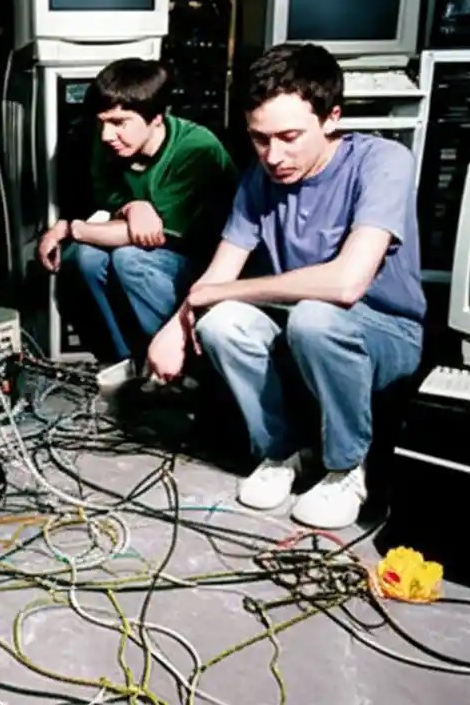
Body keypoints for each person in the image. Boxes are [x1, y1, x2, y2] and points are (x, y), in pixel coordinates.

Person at [147, 43, 426, 529]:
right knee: (222, 325)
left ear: (331, 118)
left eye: (290, 136)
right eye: (259, 139)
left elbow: (345, 284)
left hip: (385, 332)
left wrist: (216, 294)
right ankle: (281, 453)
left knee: (313, 317)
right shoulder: (259, 178)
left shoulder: (384, 161)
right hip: (301, 325)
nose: (274, 156)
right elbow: (220, 273)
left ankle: (346, 467)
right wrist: (178, 324)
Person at [36, 58, 237, 377]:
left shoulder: (196, 149)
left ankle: (182, 369)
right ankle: (126, 367)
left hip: (206, 263)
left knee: (130, 260)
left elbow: (147, 237)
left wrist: (69, 227)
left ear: (156, 118)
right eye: (103, 122)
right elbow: (109, 206)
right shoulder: (111, 144)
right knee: (84, 260)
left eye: (120, 122)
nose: (106, 135)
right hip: (154, 252)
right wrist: (131, 207)